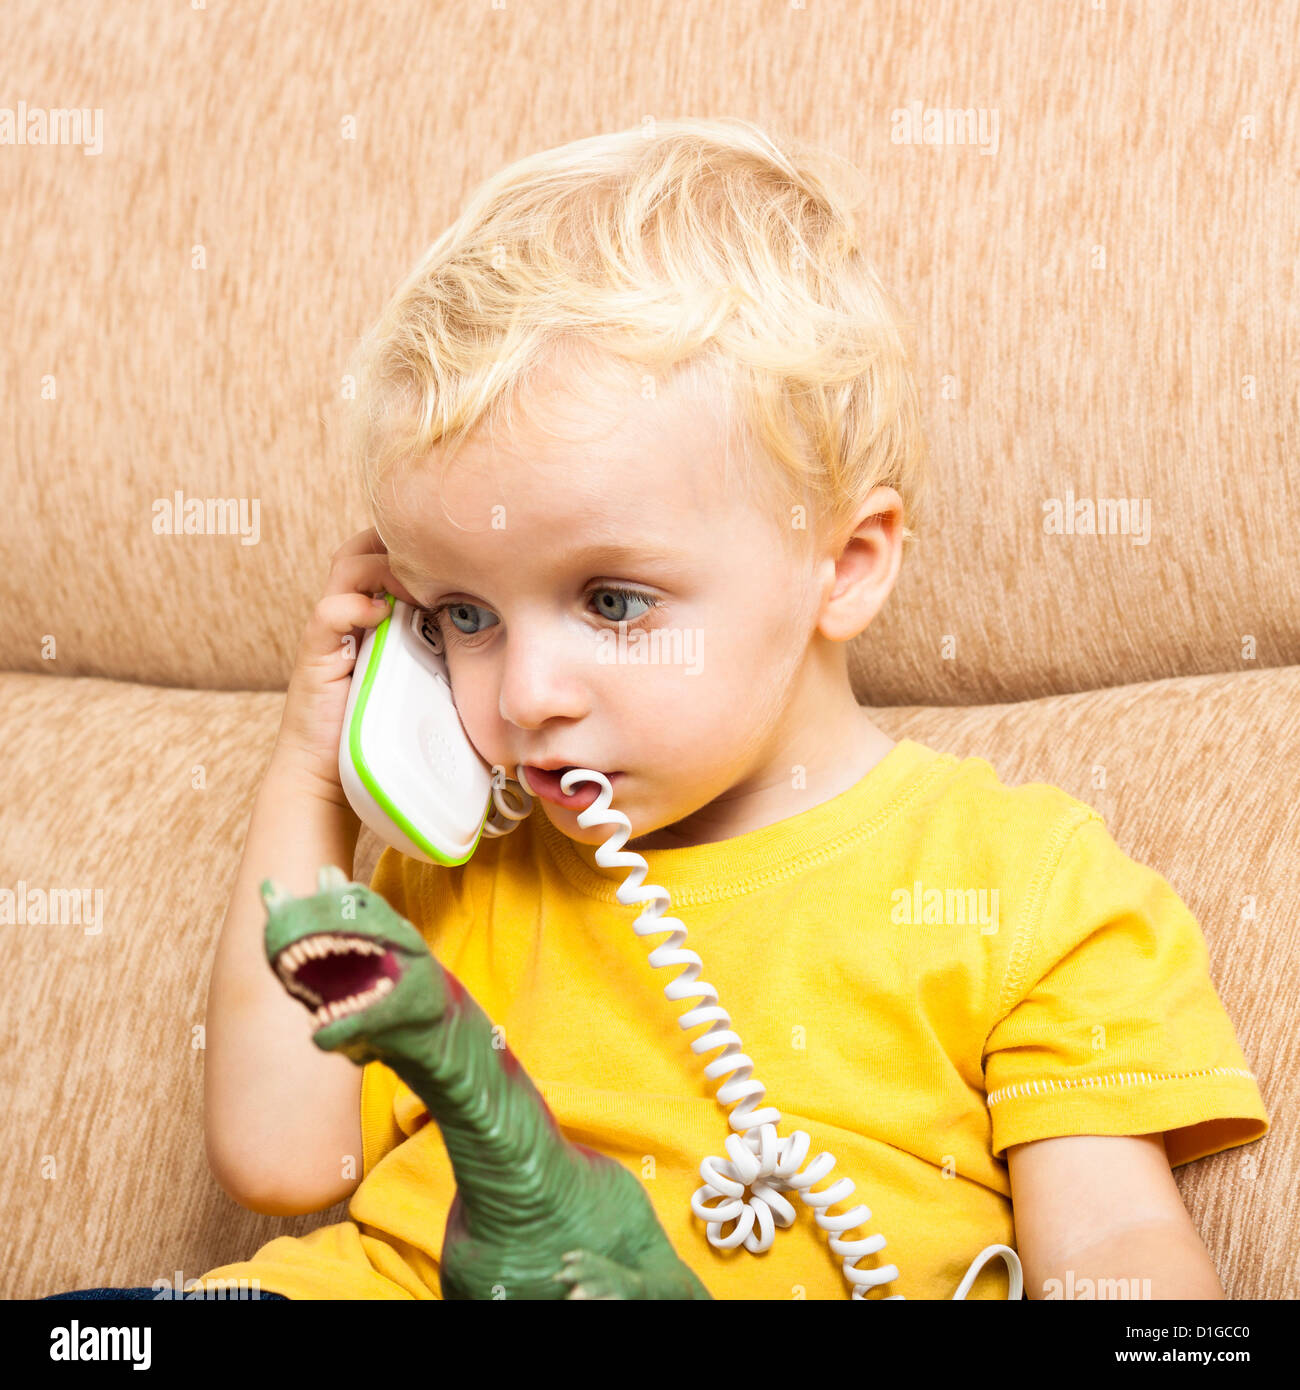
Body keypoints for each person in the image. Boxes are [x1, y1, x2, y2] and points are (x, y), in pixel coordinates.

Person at [48, 117, 1267, 1301]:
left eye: (614, 599)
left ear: (841, 563)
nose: (525, 695)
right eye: (463, 616)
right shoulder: (467, 878)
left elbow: (1112, 1232)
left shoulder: (1025, 885)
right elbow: (283, 1161)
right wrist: (316, 775)